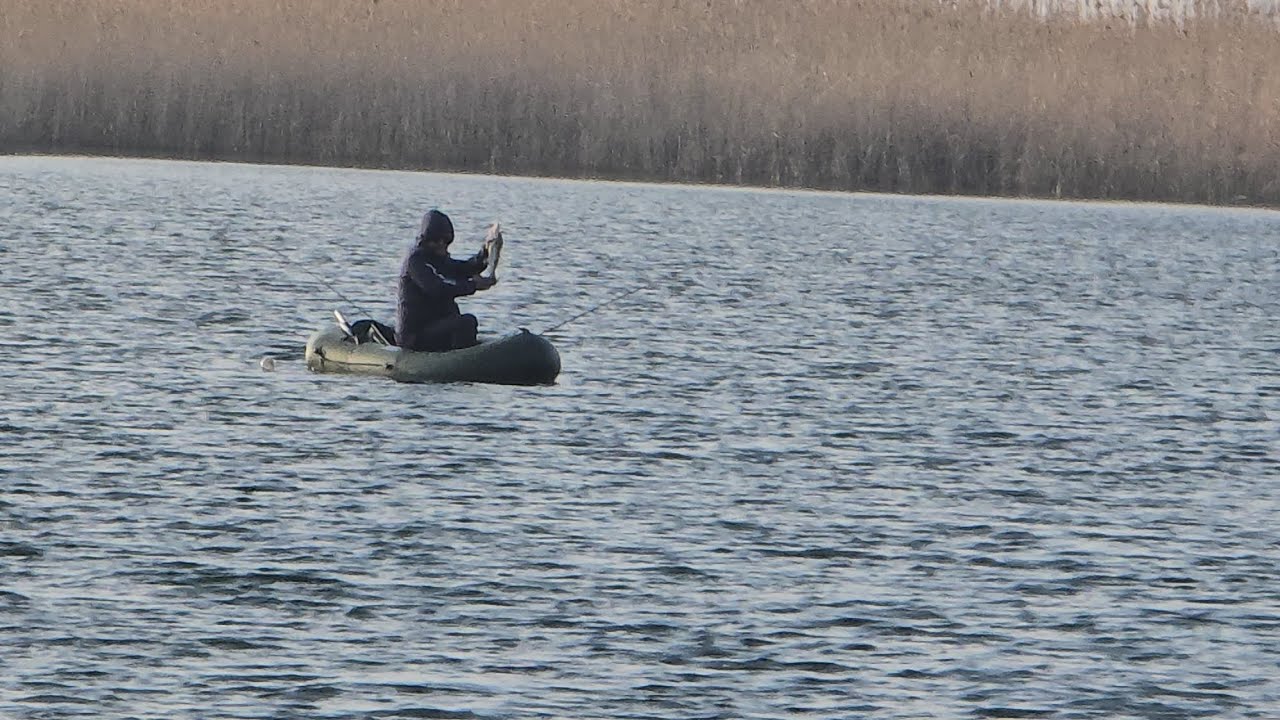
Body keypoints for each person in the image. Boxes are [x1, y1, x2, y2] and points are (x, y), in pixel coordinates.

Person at [396, 209, 498, 351]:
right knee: (466, 322)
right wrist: (473, 285)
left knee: (463, 321)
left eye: (445, 240)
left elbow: (462, 269)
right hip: (416, 336)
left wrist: (485, 254)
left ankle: (463, 352)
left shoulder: (440, 260)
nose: (441, 244)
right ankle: (462, 360)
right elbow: (437, 287)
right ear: (426, 239)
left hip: (437, 326)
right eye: (436, 240)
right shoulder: (416, 261)